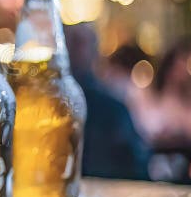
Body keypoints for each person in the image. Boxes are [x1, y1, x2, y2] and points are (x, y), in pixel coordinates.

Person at [64, 24, 150, 180]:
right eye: (76, 45)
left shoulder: (114, 109)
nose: (79, 52)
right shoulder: (114, 108)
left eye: (80, 45)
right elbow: (139, 161)